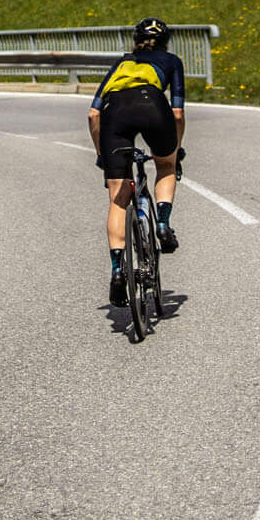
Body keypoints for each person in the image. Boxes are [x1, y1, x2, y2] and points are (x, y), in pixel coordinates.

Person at [89, 17, 187, 305]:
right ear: (166, 41)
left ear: (135, 40)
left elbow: (93, 114)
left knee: (118, 198)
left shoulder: (123, 63)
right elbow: (178, 113)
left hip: (114, 113)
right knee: (165, 166)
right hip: (153, 107)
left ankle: (118, 271)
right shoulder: (171, 61)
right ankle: (162, 225)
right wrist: (175, 151)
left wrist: (101, 155)